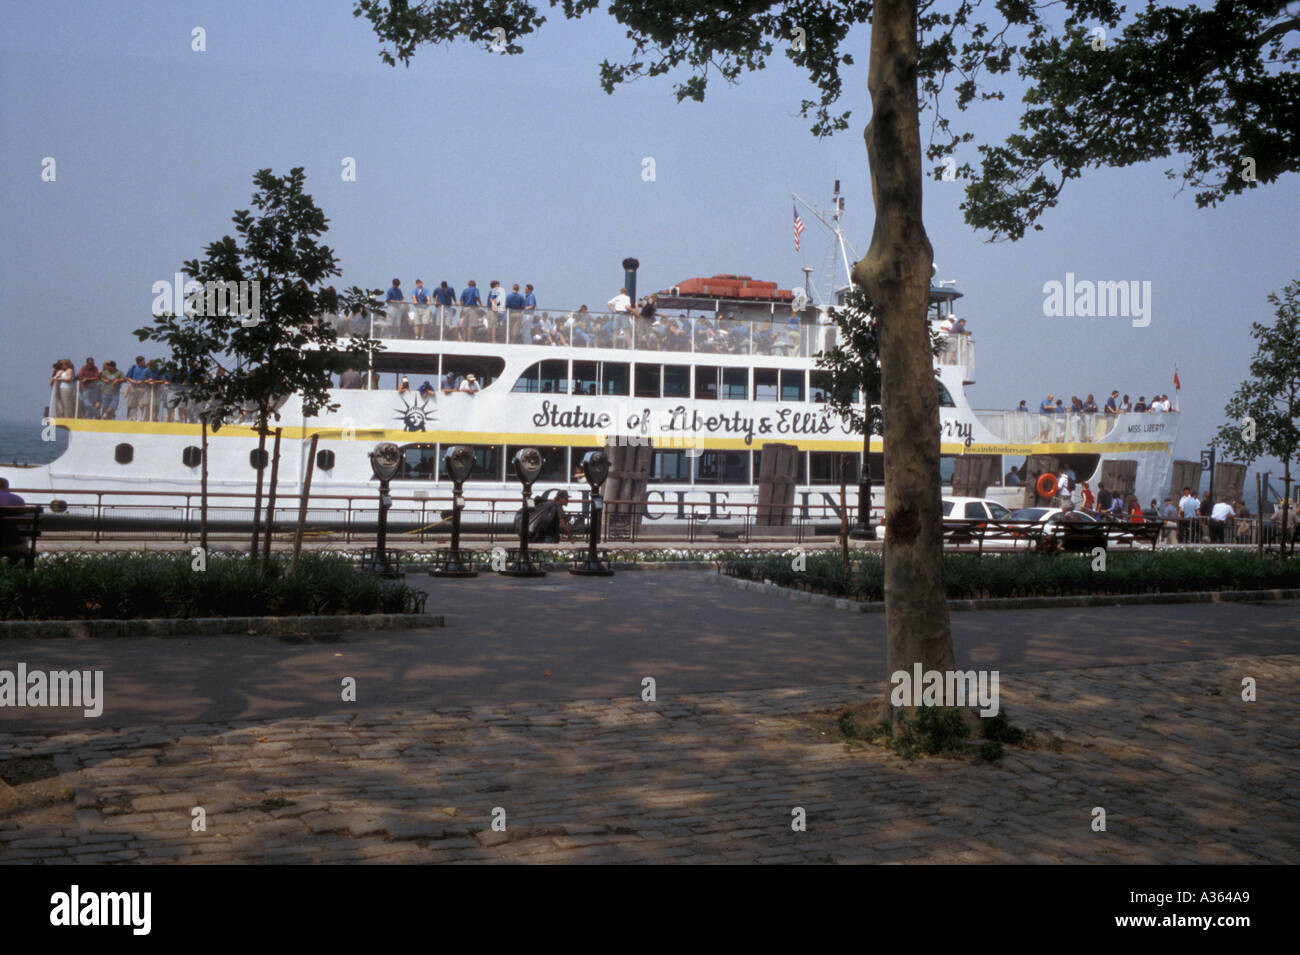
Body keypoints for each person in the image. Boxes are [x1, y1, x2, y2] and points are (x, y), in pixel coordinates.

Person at [124, 356, 151, 421]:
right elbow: (127, 377)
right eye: (143, 361)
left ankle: (140, 418)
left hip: (143, 388)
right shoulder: (133, 367)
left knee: (142, 404)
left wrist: (142, 381)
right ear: (140, 361)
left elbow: (149, 378)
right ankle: (131, 418)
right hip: (133, 388)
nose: (145, 362)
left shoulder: (147, 369)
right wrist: (132, 381)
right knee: (132, 404)